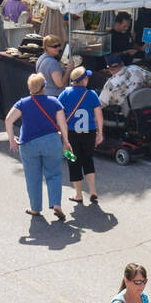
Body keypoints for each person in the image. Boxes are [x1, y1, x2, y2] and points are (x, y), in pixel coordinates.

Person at [5, 72, 70, 221]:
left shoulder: (22, 103)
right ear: (44, 87)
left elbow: (8, 120)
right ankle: (56, 204)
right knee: (54, 174)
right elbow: (62, 124)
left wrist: (11, 140)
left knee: (32, 177)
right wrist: (66, 141)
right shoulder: (54, 102)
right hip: (51, 142)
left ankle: (35, 208)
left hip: (28, 143)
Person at [57, 66, 103, 206]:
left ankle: (78, 194)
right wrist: (100, 132)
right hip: (88, 133)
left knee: (73, 161)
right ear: (83, 81)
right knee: (88, 159)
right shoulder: (92, 94)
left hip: (71, 135)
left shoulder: (64, 94)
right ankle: (93, 190)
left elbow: (58, 113)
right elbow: (98, 115)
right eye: (87, 77)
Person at [36, 34, 73, 98]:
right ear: (46, 47)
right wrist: (69, 71)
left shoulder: (41, 58)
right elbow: (60, 84)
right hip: (54, 96)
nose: (58, 48)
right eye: (54, 46)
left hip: (44, 94)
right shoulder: (52, 63)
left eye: (59, 45)